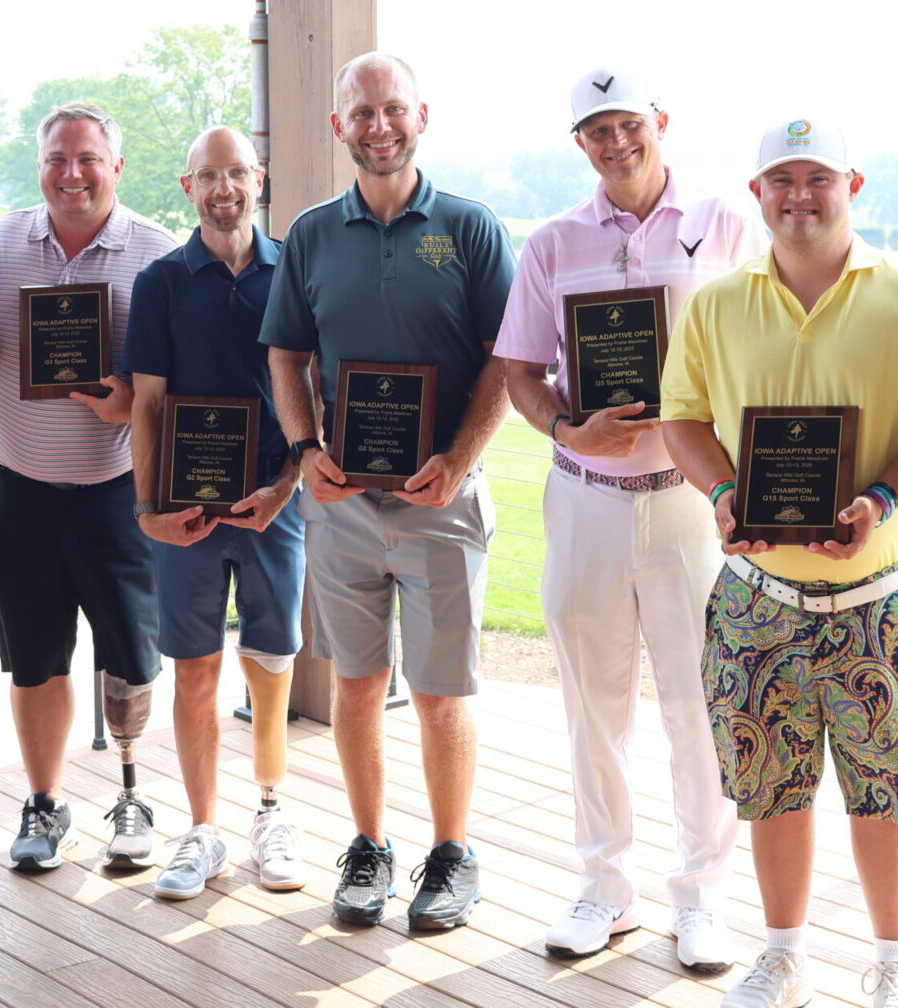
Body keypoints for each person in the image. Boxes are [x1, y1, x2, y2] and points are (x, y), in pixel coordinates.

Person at [659, 119, 898, 1007]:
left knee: (888, 793)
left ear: (854, 185)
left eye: (819, 177)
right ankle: (783, 956)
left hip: (883, 597)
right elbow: (683, 418)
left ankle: (896, 968)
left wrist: (880, 499)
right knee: (770, 786)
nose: (800, 194)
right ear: (756, 193)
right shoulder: (717, 304)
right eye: (781, 178)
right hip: (760, 596)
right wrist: (722, 494)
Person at [494, 67, 758, 967]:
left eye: (629, 124)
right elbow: (520, 374)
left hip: (691, 501)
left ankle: (704, 897)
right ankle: (605, 888)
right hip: (588, 498)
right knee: (592, 706)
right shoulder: (552, 242)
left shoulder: (724, 225)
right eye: (597, 131)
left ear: (661, 122)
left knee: (699, 702)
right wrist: (570, 425)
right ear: (581, 145)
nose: (616, 143)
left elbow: (766, 351)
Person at [261, 52, 515, 931]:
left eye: (393, 109)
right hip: (344, 507)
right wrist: (304, 449)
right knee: (357, 685)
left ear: (422, 116)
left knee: (443, 691)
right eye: (361, 113)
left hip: (441, 503)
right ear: (339, 127)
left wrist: (462, 459)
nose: (378, 124)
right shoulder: (310, 236)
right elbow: (285, 353)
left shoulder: (471, 229)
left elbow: (505, 361)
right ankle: (369, 847)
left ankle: (452, 855)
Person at [0, 102, 176, 873]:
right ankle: (45, 803)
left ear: (117, 166)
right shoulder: (2, 241)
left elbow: (184, 380)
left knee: (132, 660)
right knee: (35, 660)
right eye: (56, 158)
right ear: (38, 163)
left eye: (87, 159)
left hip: (119, 494)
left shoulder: (158, 252)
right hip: (21, 492)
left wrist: (136, 408)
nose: (71, 174)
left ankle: (130, 794)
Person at [126, 126, 305, 900]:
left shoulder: (294, 274)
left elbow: (316, 394)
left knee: (270, 666)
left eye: (237, 173)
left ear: (259, 179)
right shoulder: (161, 282)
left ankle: (271, 813)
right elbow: (148, 406)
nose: (224, 188)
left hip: (274, 503)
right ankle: (203, 830)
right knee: (193, 671)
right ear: (186, 186)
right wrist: (145, 510)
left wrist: (288, 487)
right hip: (185, 515)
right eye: (208, 175)